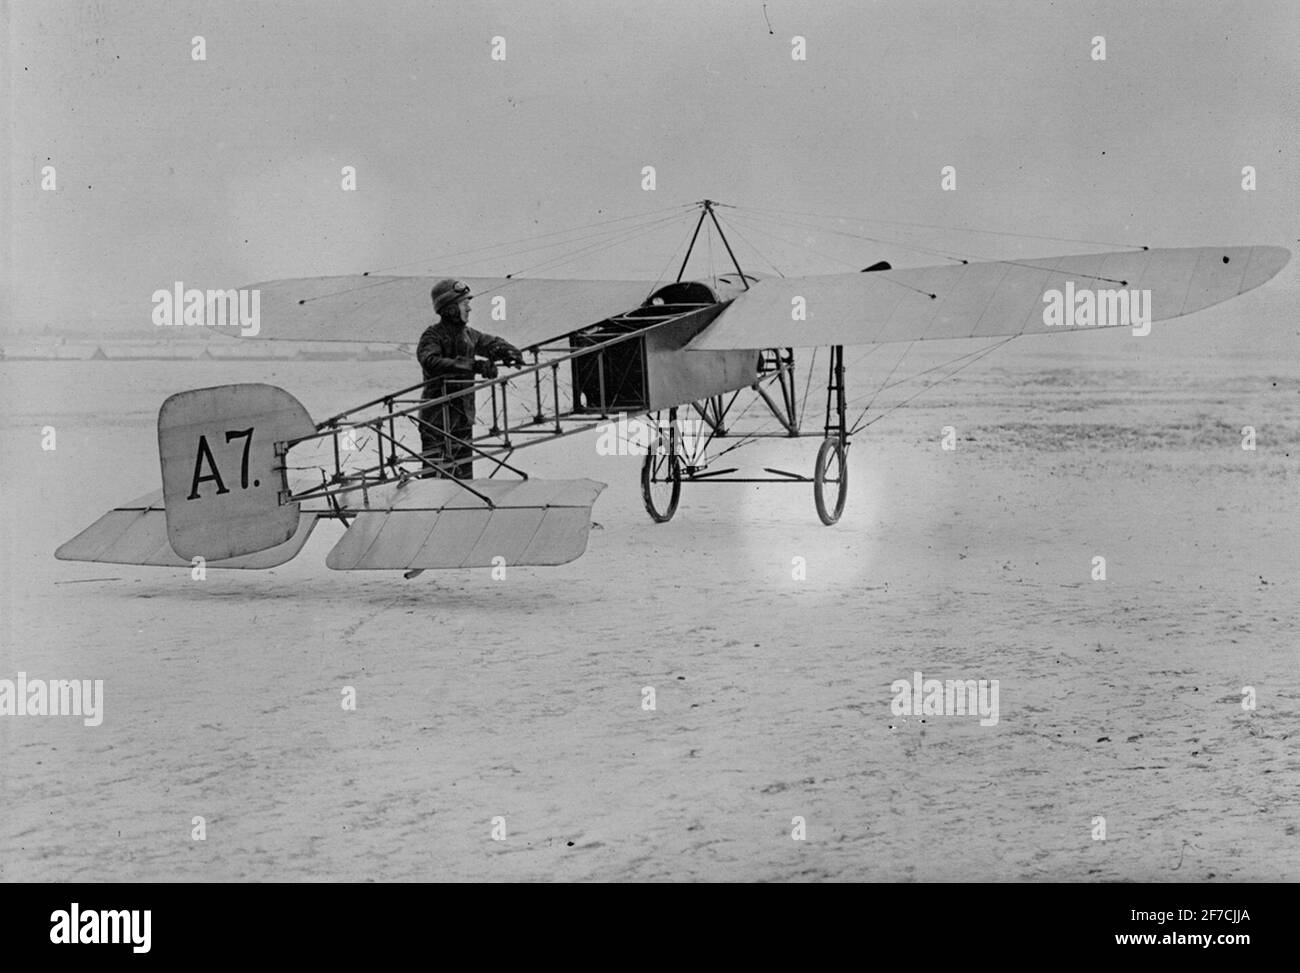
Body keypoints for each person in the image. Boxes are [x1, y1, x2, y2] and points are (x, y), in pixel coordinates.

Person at [416, 279, 525, 478]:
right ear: (450, 309)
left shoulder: (468, 335)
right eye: (464, 303)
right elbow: (430, 361)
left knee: (464, 479)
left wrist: (508, 351)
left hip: (462, 420)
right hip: (437, 422)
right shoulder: (432, 336)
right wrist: (473, 365)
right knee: (434, 483)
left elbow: (489, 342)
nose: (469, 308)